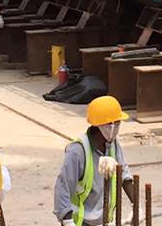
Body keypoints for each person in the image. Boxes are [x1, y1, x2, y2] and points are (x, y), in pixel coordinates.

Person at [54, 95, 135, 226]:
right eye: (116, 123)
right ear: (105, 125)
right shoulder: (78, 151)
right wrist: (67, 220)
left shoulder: (113, 144)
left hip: (104, 219)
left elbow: (124, 174)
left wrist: (136, 205)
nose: (118, 127)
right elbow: (63, 187)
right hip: (81, 221)